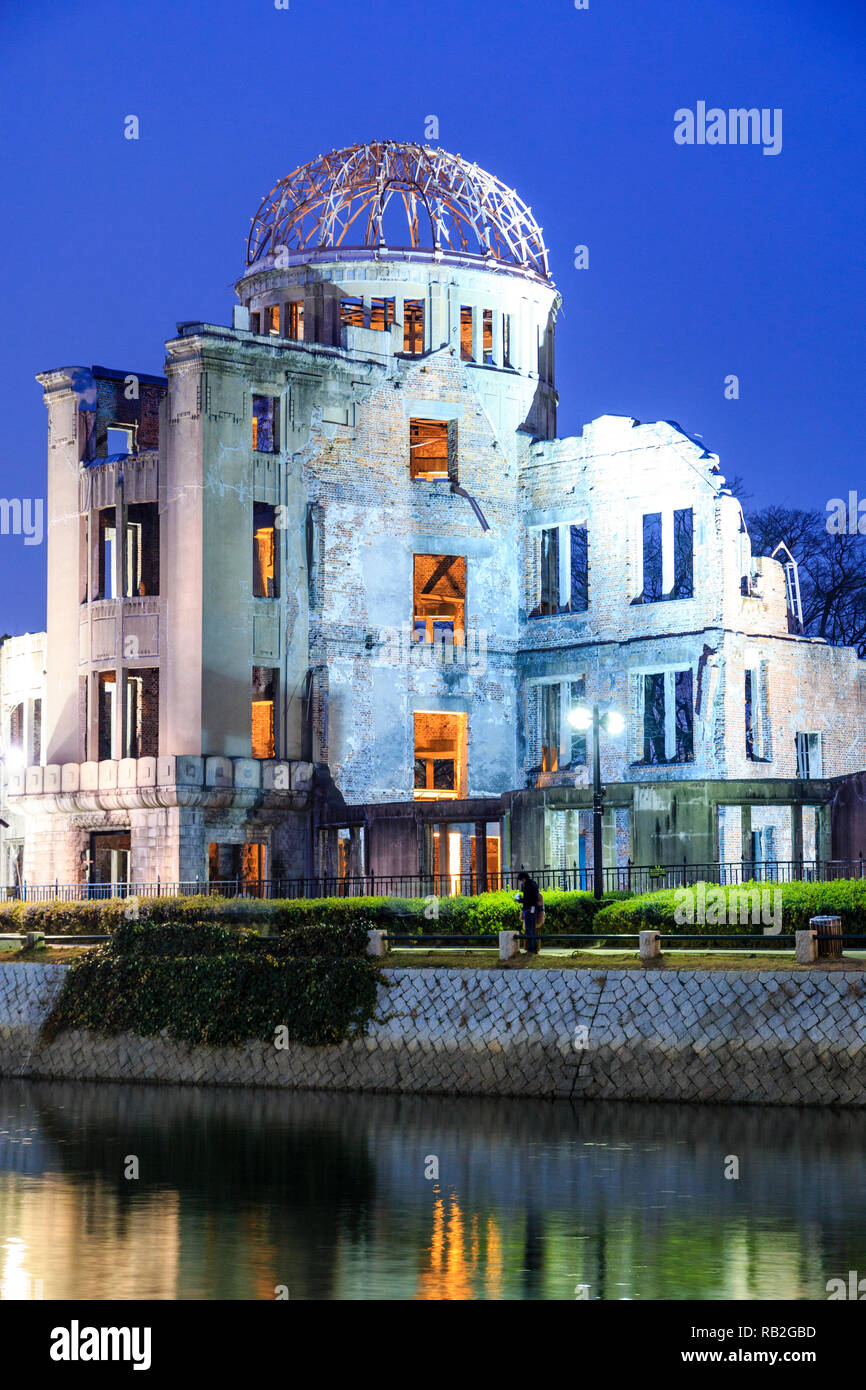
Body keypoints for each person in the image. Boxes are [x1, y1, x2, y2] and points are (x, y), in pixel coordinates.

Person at [516, 871, 541, 954]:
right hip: (534, 909)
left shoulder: (527, 886)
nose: (521, 882)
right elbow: (534, 898)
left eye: (521, 880)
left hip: (529, 909)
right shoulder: (534, 884)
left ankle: (531, 949)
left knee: (529, 930)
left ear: (523, 879)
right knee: (532, 929)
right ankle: (534, 948)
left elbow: (528, 899)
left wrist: (519, 900)